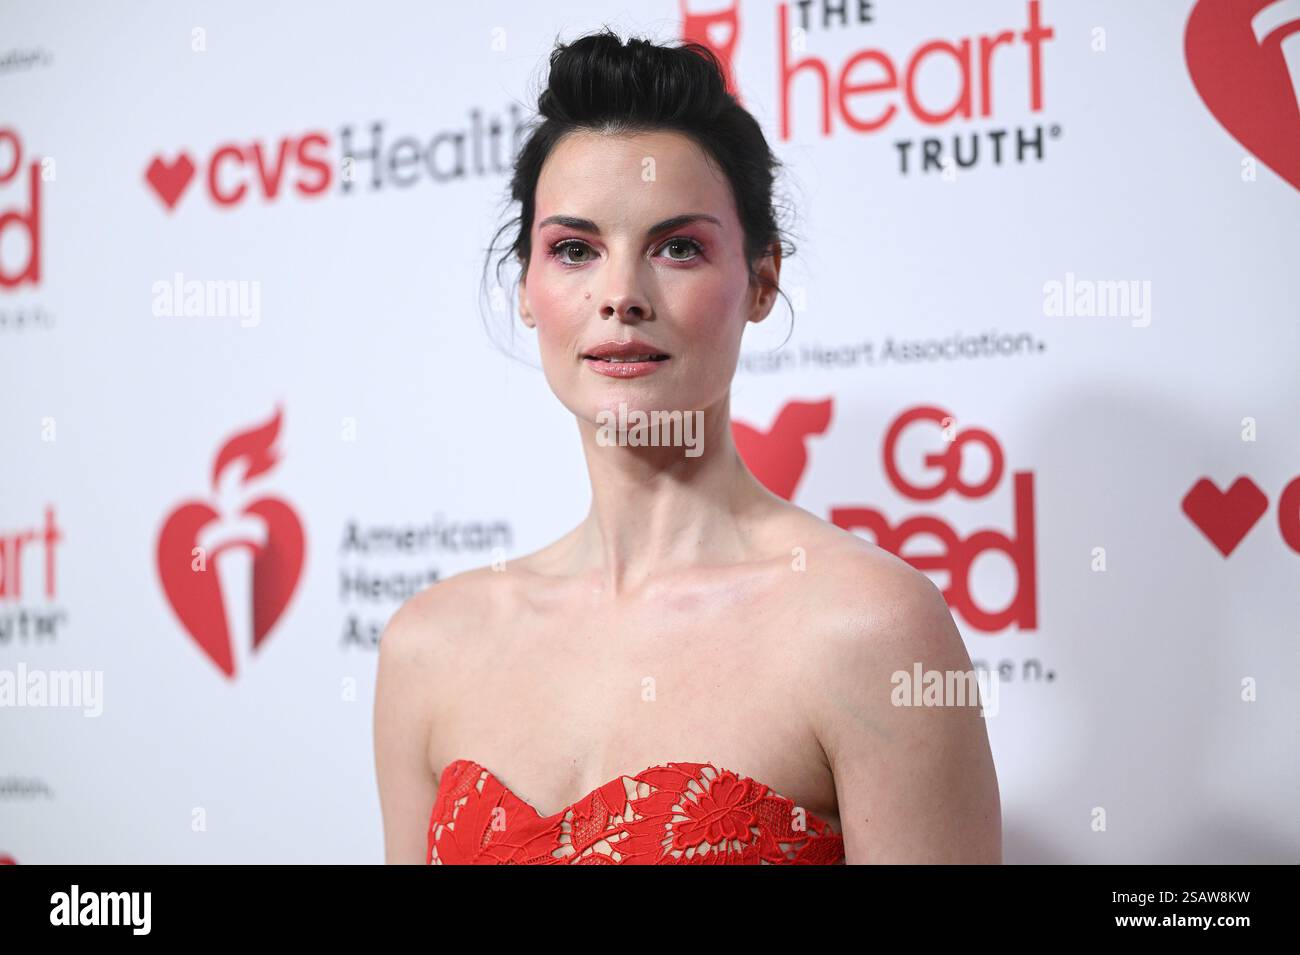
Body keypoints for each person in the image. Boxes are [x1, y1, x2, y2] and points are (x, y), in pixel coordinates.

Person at [374, 27, 1001, 864]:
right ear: (527, 287)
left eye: (677, 247)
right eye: (574, 250)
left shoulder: (873, 629)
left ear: (762, 280)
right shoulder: (428, 645)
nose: (621, 296)